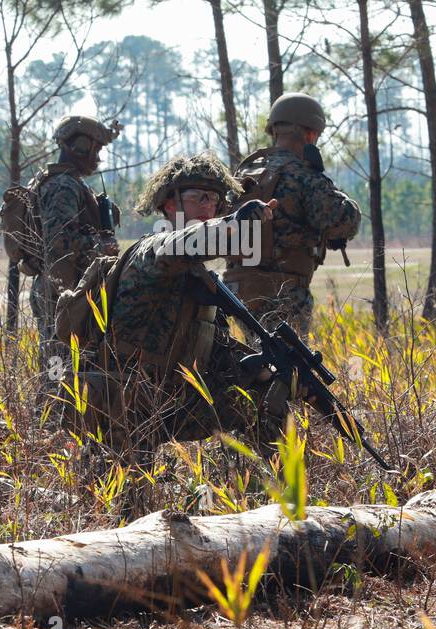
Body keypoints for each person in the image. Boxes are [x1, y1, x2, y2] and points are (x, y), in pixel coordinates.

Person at [58, 152, 290, 517]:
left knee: (261, 397)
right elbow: (187, 242)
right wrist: (235, 223)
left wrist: (265, 372)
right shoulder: (154, 250)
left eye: (214, 200)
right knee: (124, 511)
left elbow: (212, 347)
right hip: (124, 404)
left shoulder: (196, 277)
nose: (208, 207)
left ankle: (258, 507)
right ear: (169, 202)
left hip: (171, 398)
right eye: (199, 197)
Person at [224, 92, 361, 334]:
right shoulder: (303, 175)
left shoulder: (247, 172)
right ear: (309, 133)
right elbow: (342, 221)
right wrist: (340, 195)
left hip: (236, 290)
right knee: (289, 366)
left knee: (256, 363)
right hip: (282, 292)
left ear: (274, 130)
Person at [29, 115, 120, 399]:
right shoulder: (63, 186)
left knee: (72, 360)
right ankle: (52, 414)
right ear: (82, 146)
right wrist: (101, 246)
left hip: (68, 287)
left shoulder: (64, 182)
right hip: (61, 288)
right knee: (58, 362)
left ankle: (63, 414)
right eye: (96, 148)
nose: (98, 156)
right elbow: (59, 241)